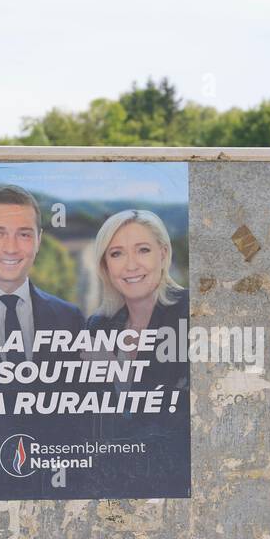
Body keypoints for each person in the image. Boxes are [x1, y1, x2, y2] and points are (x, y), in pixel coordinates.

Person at [0, 185, 84, 499]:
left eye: (24, 234)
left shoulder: (69, 318)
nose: (11, 247)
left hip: (50, 490)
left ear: (38, 240)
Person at [83, 209, 190, 497]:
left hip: (177, 482)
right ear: (105, 265)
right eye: (116, 254)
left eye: (143, 250)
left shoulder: (193, 314)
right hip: (115, 482)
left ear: (163, 254)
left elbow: (187, 417)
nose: (131, 265)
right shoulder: (98, 326)